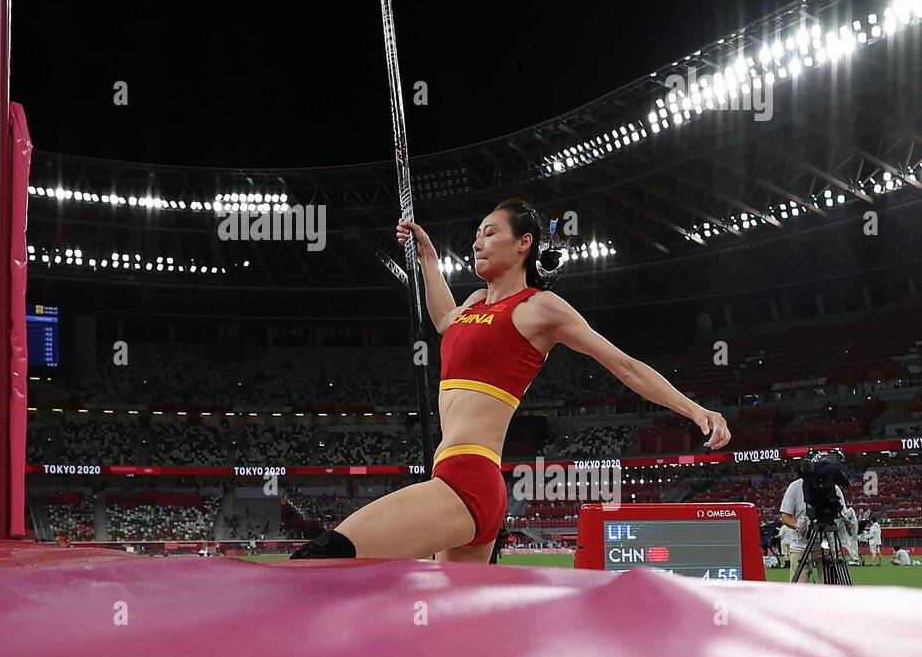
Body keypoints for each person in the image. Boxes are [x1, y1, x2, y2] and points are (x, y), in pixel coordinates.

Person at [290, 199, 732, 562]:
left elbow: (624, 366)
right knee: (454, 632)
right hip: (452, 478)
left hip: (468, 481)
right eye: (476, 235)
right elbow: (445, 319)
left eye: (489, 233)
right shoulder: (476, 302)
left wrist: (696, 411)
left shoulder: (540, 307)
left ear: (524, 243)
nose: (477, 242)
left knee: (325, 556)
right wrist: (426, 256)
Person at [779, 462, 853, 582]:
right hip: (800, 545)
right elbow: (785, 516)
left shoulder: (833, 487)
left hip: (827, 545)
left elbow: (842, 513)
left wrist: (848, 521)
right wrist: (798, 525)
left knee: (830, 589)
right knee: (798, 591)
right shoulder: (795, 487)